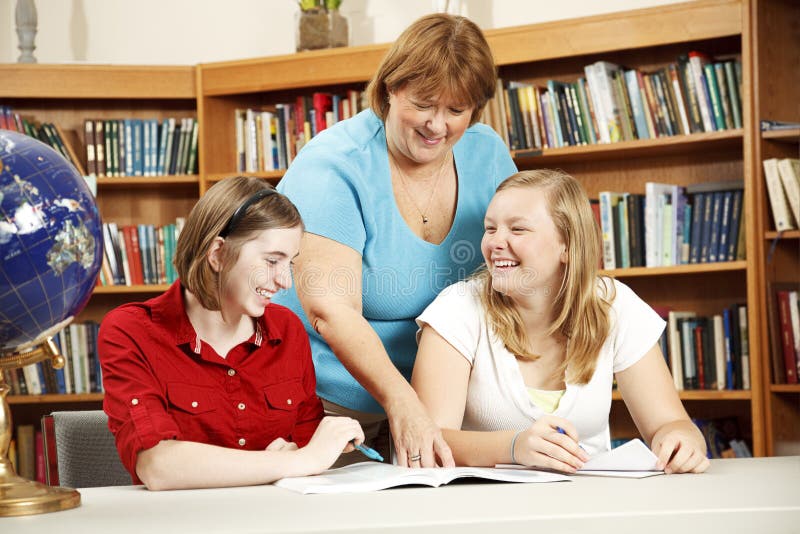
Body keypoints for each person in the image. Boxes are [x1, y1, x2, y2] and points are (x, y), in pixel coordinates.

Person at [273, 13, 517, 468]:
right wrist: (403, 403)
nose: (437, 126)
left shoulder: (488, 153)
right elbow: (330, 312)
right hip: (329, 401)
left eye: (456, 110)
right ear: (390, 88)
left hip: (445, 396)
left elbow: (523, 267)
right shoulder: (332, 166)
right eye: (424, 103)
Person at [411, 169, 710, 474]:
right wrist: (514, 447)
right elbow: (428, 443)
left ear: (566, 245)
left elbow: (670, 423)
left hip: (589, 502)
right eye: (490, 229)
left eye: (517, 229)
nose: (495, 242)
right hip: (487, 505)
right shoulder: (457, 309)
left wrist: (681, 441)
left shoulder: (613, 304)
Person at [98, 177, 365, 490]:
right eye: (271, 260)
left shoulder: (287, 330)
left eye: (288, 264)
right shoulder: (129, 331)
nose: (284, 282)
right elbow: (157, 466)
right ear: (218, 254)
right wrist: (297, 462)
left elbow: (307, 452)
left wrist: (302, 458)